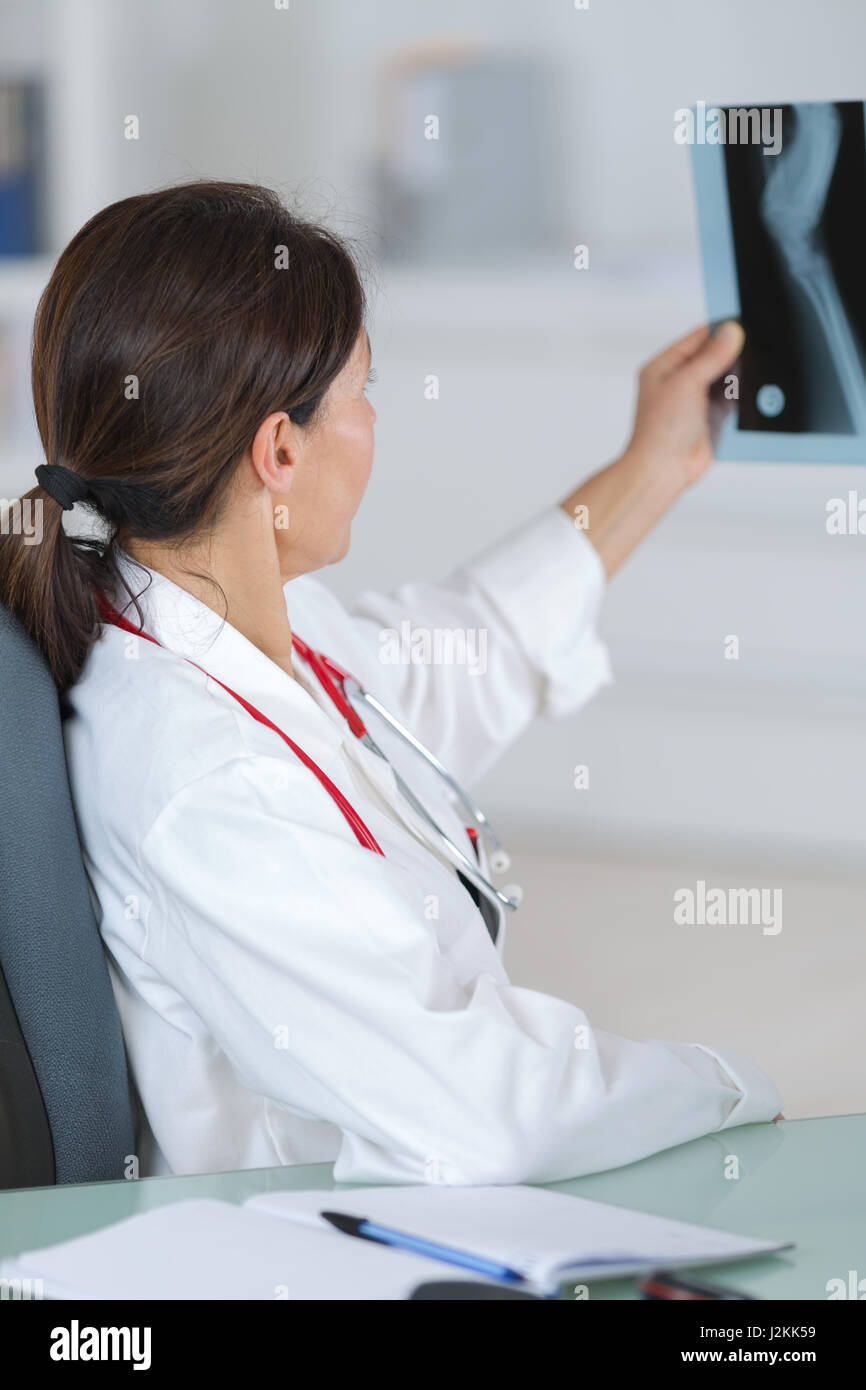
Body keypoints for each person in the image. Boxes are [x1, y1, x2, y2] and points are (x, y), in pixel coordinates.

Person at [0, 182, 782, 1184]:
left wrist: (654, 463)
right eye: (364, 391)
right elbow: (494, 1112)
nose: (374, 419)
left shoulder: (205, 623)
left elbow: (472, 644)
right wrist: (739, 1087)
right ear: (278, 451)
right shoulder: (207, 783)